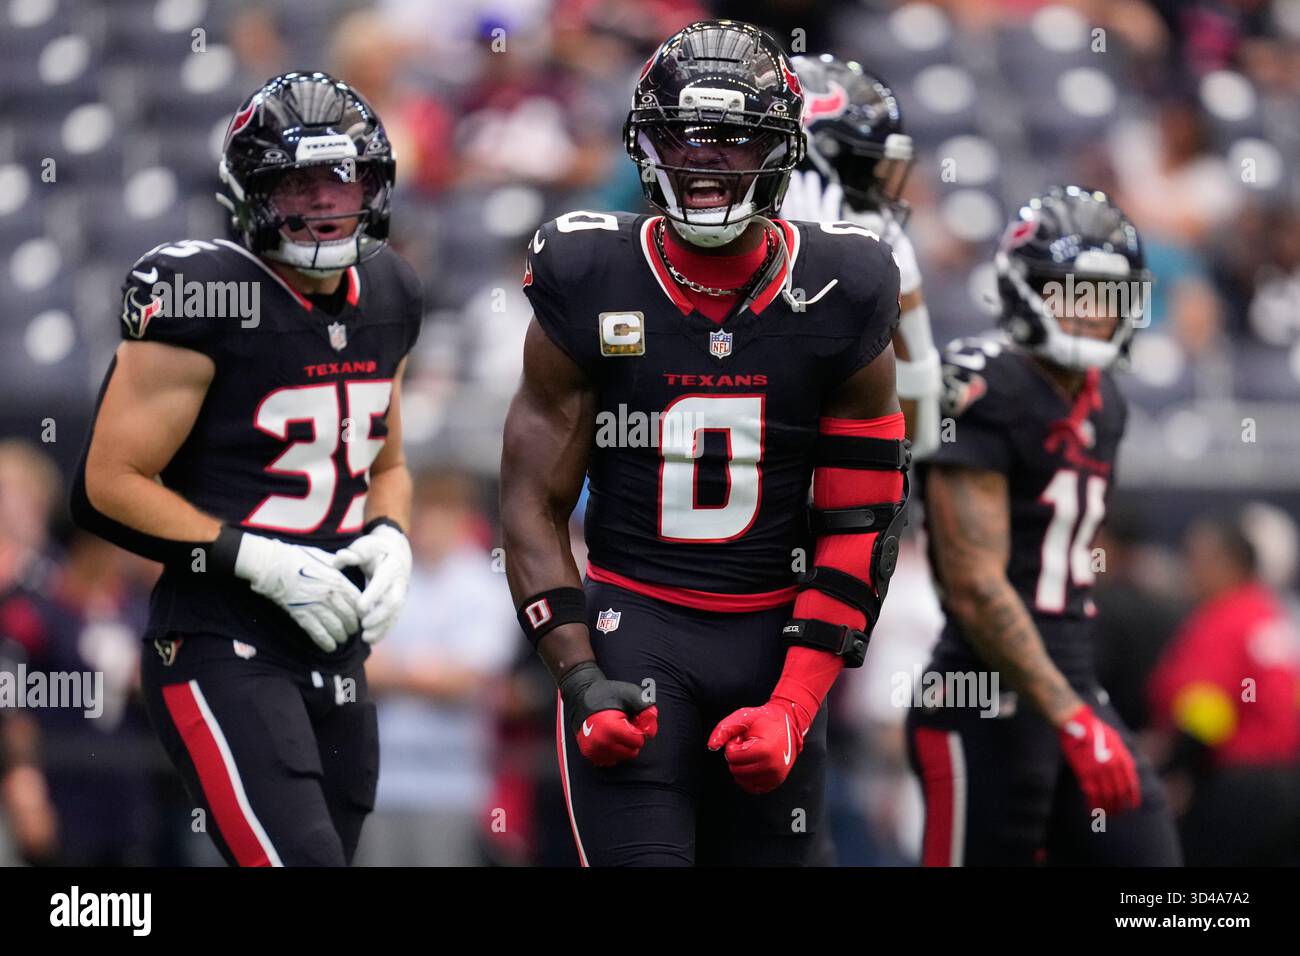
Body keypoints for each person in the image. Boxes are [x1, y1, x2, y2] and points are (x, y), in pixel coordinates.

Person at [500, 20, 909, 866]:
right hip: (633, 626)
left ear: (783, 151)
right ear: (644, 145)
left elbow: (861, 525)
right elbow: (531, 505)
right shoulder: (589, 272)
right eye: (684, 139)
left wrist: (795, 702)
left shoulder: (845, 287)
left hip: (778, 637)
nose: (706, 163)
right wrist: (577, 673)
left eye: (733, 141)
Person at [70, 72, 423, 866]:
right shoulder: (203, 293)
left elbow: (388, 462)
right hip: (218, 641)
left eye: (344, 180)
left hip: (336, 648)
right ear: (251, 194)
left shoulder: (392, 290)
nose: (327, 202)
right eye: (298, 185)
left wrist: (393, 534)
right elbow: (106, 485)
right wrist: (255, 558)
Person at [907, 185, 1181, 865]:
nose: (1093, 314)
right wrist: (1073, 716)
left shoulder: (1105, 403)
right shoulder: (983, 385)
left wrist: (1079, 708)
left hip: (1075, 686)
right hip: (984, 701)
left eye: (1108, 298)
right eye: (1074, 293)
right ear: (1026, 290)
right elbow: (975, 585)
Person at [780, 54, 942, 459]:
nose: (880, 191)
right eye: (866, 168)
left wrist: (906, 293)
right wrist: (813, 269)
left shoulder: (879, 247)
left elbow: (917, 438)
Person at [1149, 515, 1300, 865]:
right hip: (1289, 783)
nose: (1188, 571)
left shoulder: (1221, 620)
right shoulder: (1272, 615)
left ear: (1226, 564)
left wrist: (1176, 772)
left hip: (1238, 790)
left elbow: (1208, 713)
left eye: (1195, 560)